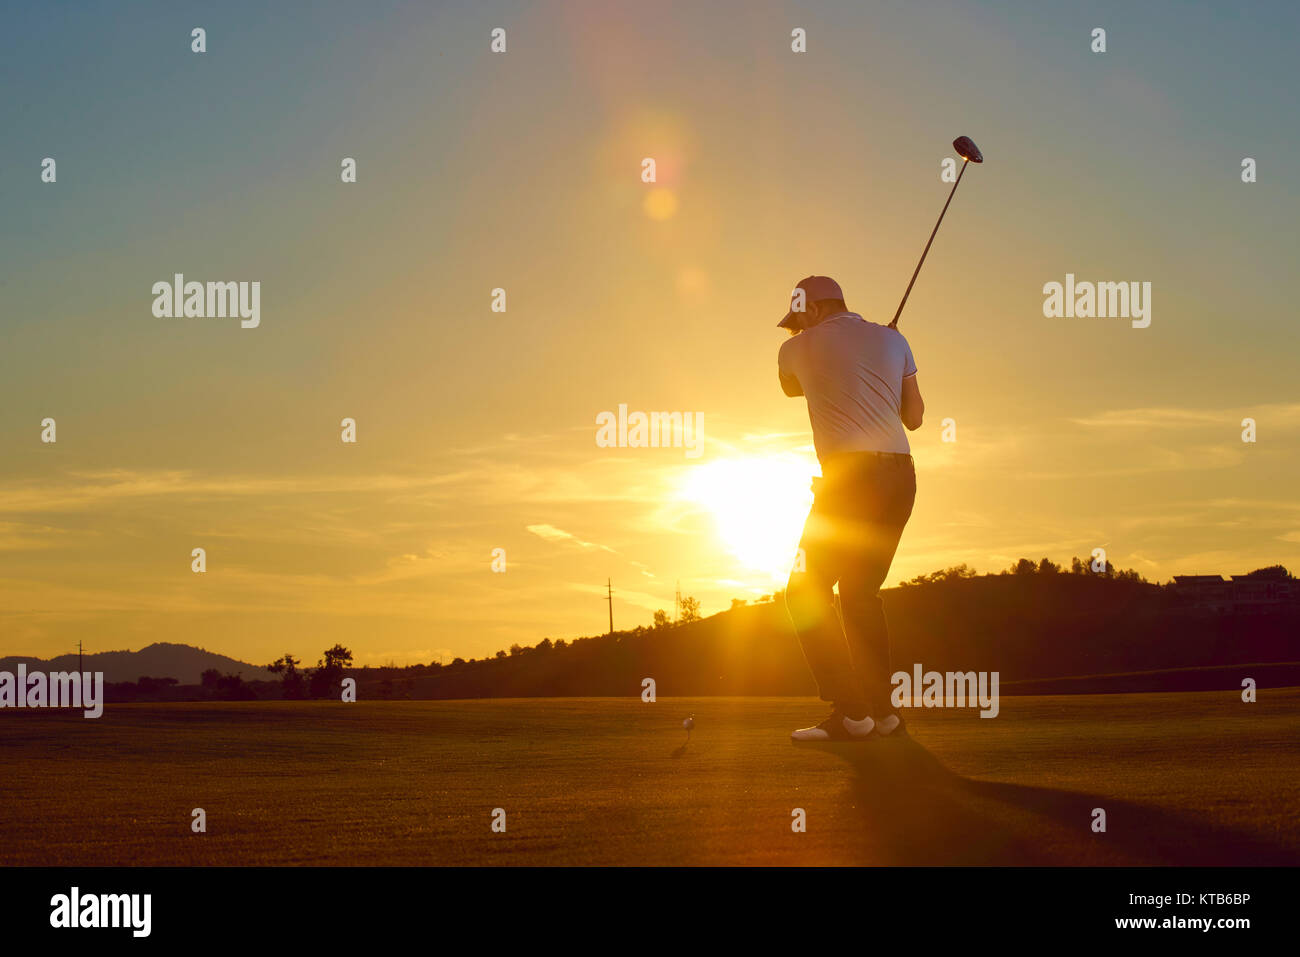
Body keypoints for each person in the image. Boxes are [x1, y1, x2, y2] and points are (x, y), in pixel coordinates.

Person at [776, 276, 924, 742]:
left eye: (798, 321)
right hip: (900, 478)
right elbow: (914, 418)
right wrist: (884, 359)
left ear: (813, 310)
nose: (795, 331)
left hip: (849, 479)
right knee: (860, 593)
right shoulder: (894, 339)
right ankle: (885, 715)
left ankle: (851, 713)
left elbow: (791, 389)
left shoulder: (794, 352)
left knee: (804, 589)